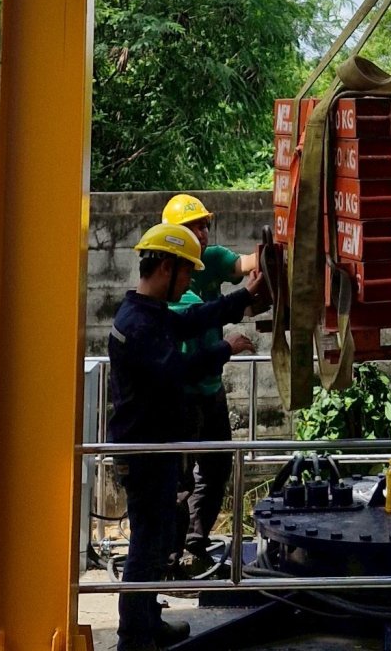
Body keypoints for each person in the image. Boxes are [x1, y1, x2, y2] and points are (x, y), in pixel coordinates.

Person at [108, 222, 265, 651]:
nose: (188, 282)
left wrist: (244, 297)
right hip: (144, 452)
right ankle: (133, 639)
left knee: (156, 541)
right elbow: (176, 370)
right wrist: (225, 349)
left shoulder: (146, 312)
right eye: (185, 273)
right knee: (146, 547)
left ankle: (147, 621)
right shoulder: (139, 325)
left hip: (153, 446)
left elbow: (192, 320)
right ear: (165, 267)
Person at [160, 193, 260, 569]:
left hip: (210, 387)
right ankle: (171, 557)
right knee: (180, 479)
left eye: (204, 226)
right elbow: (202, 314)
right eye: (193, 228)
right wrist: (243, 304)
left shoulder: (213, 258)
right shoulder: (170, 282)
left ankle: (195, 543)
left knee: (217, 467)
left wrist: (273, 254)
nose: (202, 234)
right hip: (181, 394)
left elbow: (244, 264)